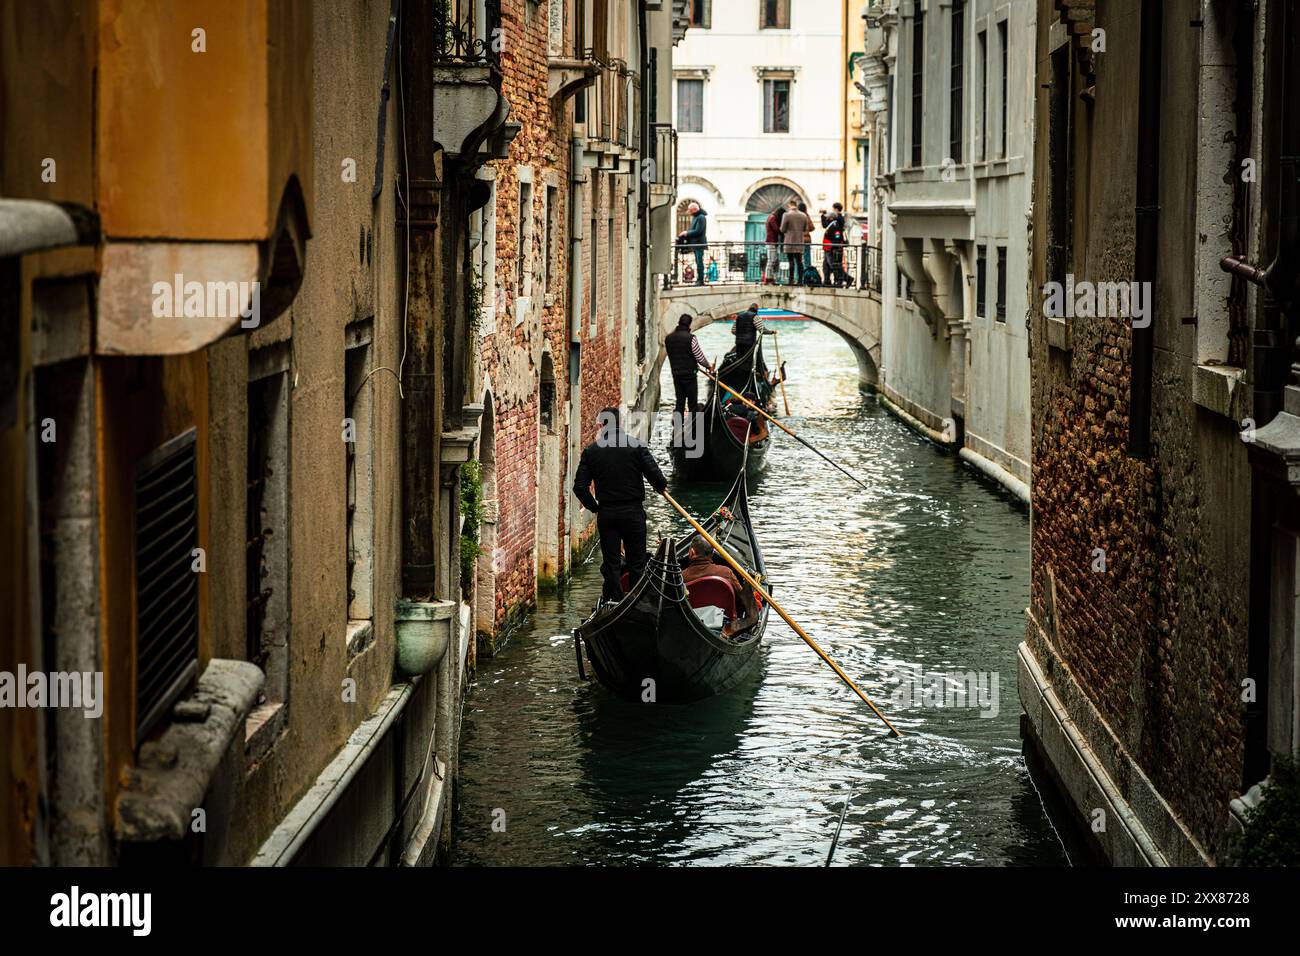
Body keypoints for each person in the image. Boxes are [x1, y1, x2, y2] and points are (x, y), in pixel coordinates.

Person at [573, 407, 669, 604]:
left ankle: (613, 603)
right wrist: (660, 485)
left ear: (601, 425)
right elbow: (659, 480)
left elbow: (580, 488)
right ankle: (637, 604)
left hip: (608, 514)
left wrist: (596, 508)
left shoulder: (591, 451)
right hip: (633, 513)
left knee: (611, 564)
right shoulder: (637, 446)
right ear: (621, 424)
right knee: (637, 562)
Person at [681, 543, 760, 637]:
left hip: (691, 622)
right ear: (712, 554)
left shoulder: (680, 577)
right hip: (723, 623)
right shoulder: (726, 572)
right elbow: (741, 604)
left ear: (691, 552)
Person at [664, 314, 713, 419]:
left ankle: (677, 427)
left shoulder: (668, 338)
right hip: (690, 375)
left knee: (680, 401)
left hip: (676, 374)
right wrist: (708, 366)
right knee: (692, 403)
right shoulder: (691, 338)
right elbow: (699, 357)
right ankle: (694, 428)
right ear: (689, 324)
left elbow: (672, 355)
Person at [779, 200, 811, 286]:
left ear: (789, 205)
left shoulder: (786, 215)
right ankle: (800, 280)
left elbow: (782, 229)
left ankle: (791, 280)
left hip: (789, 241)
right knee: (799, 261)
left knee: (791, 261)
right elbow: (805, 229)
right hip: (800, 242)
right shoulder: (803, 215)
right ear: (796, 205)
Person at [677, 201, 708, 286]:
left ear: (694, 210)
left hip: (699, 244)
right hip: (695, 243)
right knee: (698, 262)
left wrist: (686, 233)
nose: (689, 212)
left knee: (699, 263)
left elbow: (698, 231)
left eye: (690, 211)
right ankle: (699, 280)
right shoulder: (696, 217)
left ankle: (700, 280)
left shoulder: (701, 217)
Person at [821, 203, 850, 287]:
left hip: (833, 247)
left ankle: (845, 279)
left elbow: (837, 235)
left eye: (829, 216)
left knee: (834, 265)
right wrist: (823, 215)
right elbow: (825, 225)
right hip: (828, 247)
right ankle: (827, 281)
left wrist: (834, 245)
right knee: (826, 265)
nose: (828, 217)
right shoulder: (833, 223)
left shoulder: (837, 222)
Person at [764, 205, 783, 283]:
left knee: (773, 260)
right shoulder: (773, 218)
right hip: (771, 242)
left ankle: (770, 277)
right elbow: (776, 229)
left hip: (771, 242)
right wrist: (782, 231)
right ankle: (768, 278)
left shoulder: (770, 217)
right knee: (771, 260)